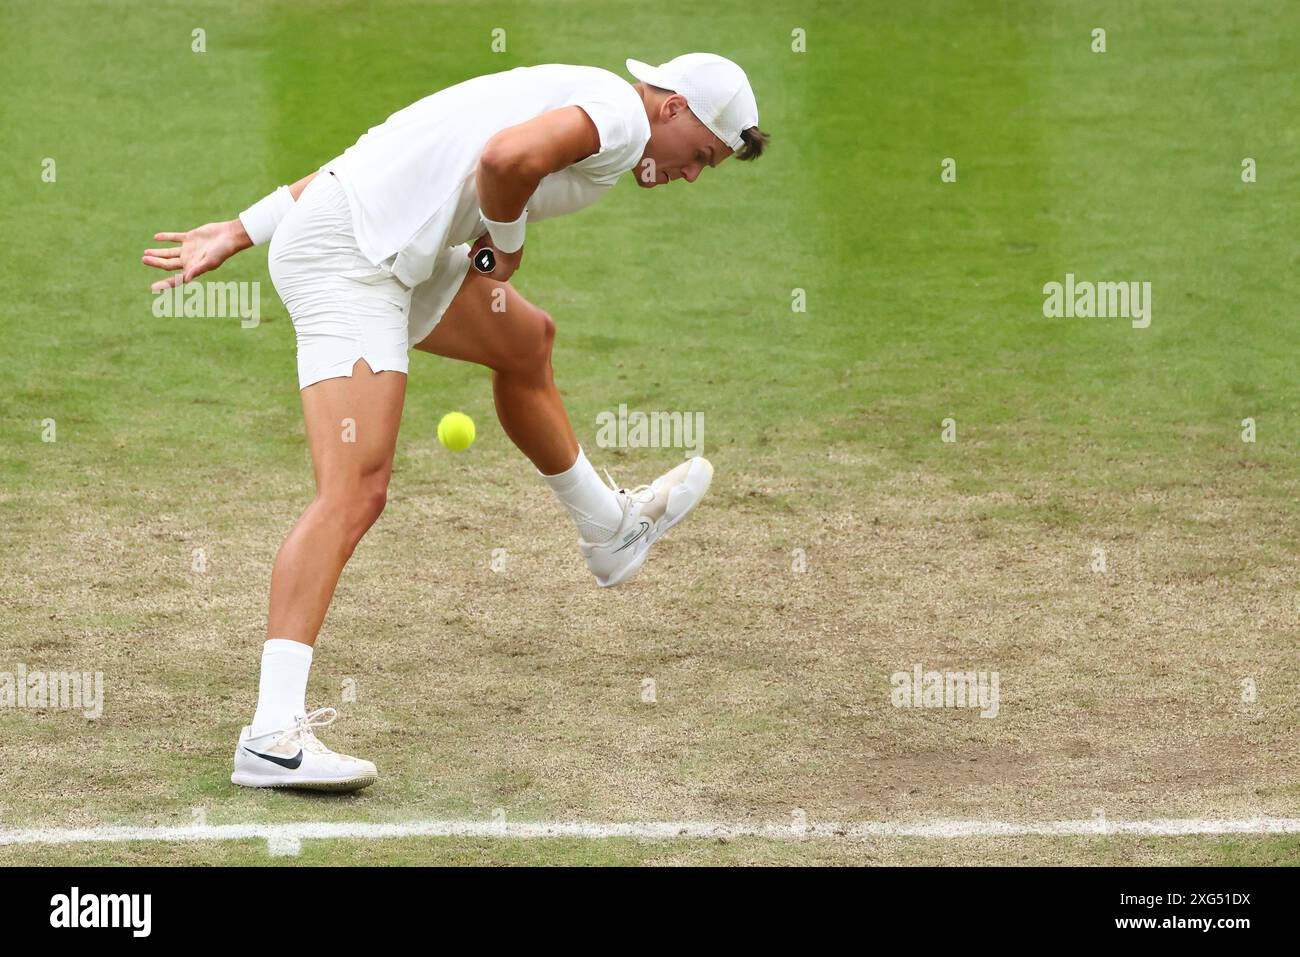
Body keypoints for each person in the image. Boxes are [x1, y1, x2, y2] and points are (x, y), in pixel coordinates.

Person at [142, 54, 769, 792]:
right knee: (355, 491)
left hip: (388, 246)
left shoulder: (568, 93)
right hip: (354, 262)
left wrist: (244, 229)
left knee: (525, 343)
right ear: (673, 109)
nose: (692, 174)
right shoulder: (624, 117)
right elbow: (505, 161)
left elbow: (375, 154)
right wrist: (506, 241)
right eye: (700, 155)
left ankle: (610, 530)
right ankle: (272, 736)